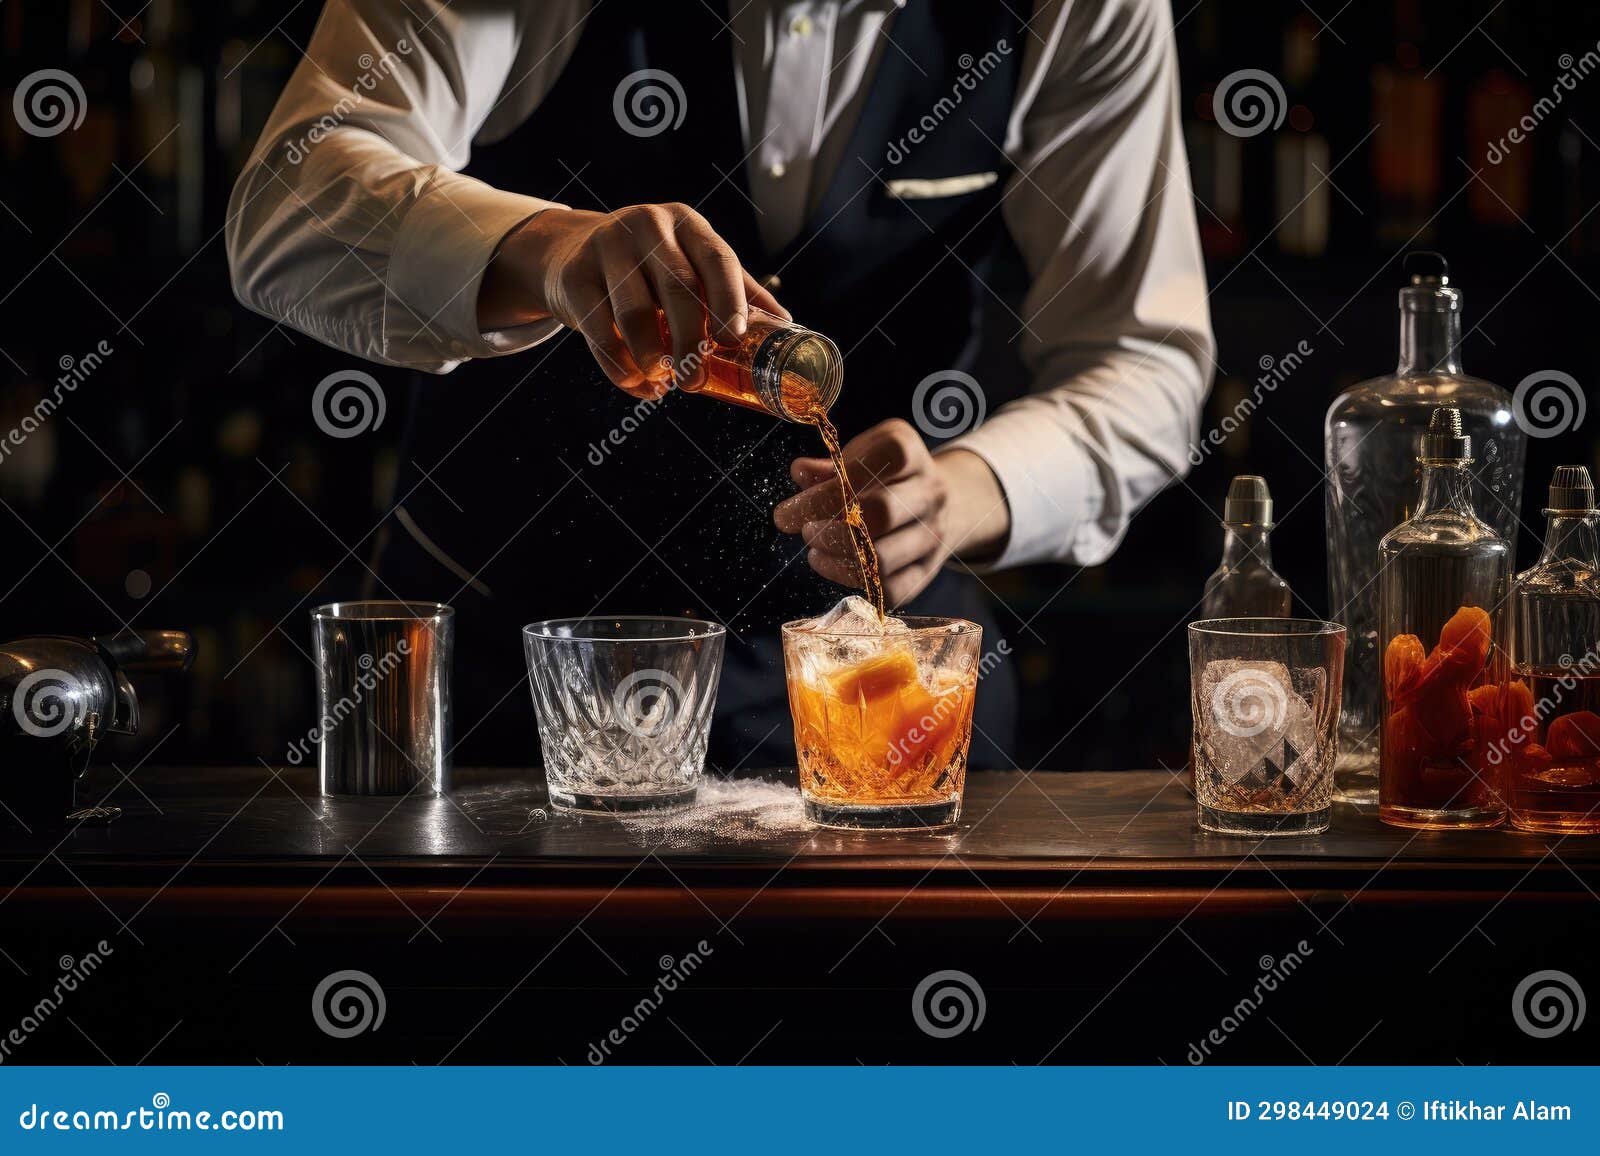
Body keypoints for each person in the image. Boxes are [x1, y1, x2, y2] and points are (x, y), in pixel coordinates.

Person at [226, 0, 1214, 769]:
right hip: (499, 690)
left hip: (870, 697)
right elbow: (283, 210)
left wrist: (961, 495)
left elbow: (1143, 358)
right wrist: (550, 248)